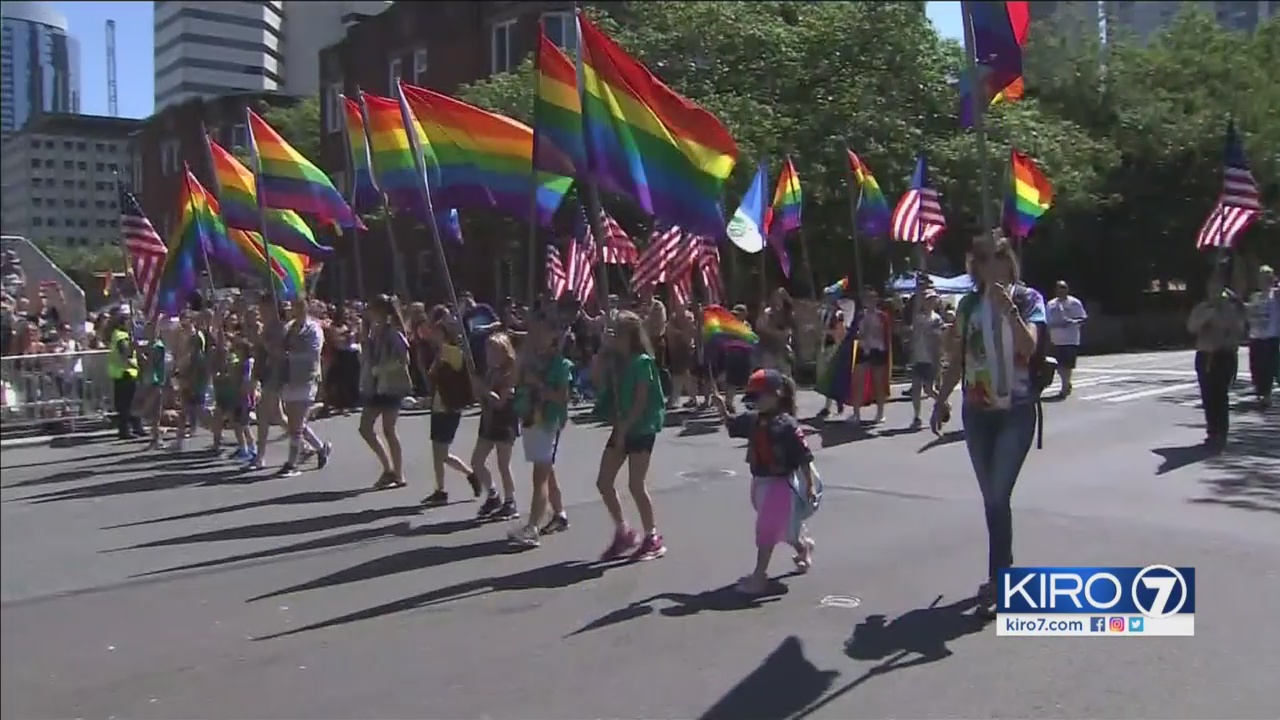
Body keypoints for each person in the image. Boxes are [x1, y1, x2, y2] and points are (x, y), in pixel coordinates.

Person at [931, 234, 1048, 619]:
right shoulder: (967, 305)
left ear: (1007, 262)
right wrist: (941, 398)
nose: (988, 265)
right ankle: (1003, 571)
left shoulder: (1028, 299)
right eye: (981, 260)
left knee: (998, 496)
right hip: (977, 411)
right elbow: (959, 356)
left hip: (1016, 409)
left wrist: (1009, 309)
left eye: (996, 257)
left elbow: (1030, 347)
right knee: (992, 501)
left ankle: (999, 581)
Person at [712, 368, 818, 595]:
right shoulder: (753, 420)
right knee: (786, 531)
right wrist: (722, 408)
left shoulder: (787, 425)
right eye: (753, 398)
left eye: (760, 397)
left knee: (767, 530)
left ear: (776, 394)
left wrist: (809, 484)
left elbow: (804, 457)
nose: (756, 403)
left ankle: (759, 577)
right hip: (760, 482)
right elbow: (732, 425)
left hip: (780, 484)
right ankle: (803, 547)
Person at [592, 311, 667, 561]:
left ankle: (652, 536)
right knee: (604, 481)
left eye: (618, 334)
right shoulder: (616, 363)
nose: (615, 338)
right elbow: (596, 381)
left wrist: (624, 430)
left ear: (630, 336)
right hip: (622, 426)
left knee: (636, 484)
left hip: (641, 427)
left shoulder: (643, 362)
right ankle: (623, 530)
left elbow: (641, 402)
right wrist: (603, 353)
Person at [507, 313, 574, 548]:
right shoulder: (528, 360)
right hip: (529, 418)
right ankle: (559, 514)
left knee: (540, 475)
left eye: (539, 332)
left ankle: (533, 527)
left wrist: (539, 385)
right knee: (547, 470)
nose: (533, 336)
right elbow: (513, 382)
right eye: (531, 331)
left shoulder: (560, 365)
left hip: (548, 420)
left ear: (553, 336)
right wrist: (520, 359)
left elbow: (562, 397)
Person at [423, 307, 481, 506]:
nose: (434, 336)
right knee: (438, 453)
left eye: (438, 333)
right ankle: (440, 489)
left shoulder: (454, 352)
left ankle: (470, 475)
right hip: (438, 406)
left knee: (442, 452)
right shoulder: (439, 353)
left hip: (450, 406)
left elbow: (454, 372)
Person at [1187, 270, 1248, 449]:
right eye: (1211, 286)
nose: (1213, 289)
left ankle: (1221, 432)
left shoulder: (1232, 307)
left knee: (1220, 394)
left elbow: (1239, 328)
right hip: (1205, 355)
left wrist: (1229, 310)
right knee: (1207, 395)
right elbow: (1191, 326)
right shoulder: (1203, 307)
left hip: (1224, 356)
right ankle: (1212, 430)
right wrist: (1207, 314)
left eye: (1217, 286)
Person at [276, 298, 332, 477]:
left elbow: (313, 353)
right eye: (294, 307)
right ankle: (321, 447)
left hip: (306, 378)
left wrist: (289, 355)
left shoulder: (314, 328)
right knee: (295, 423)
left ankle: (291, 463)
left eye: (299, 307)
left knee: (297, 425)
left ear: (306, 308)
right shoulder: (289, 328)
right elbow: (279, 347)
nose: (296, 310)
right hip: (290, 378)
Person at [362, 295, 413, 489]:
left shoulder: (393, 333)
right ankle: (388, 468)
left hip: (391, 384)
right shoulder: (374, 331)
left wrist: (383, 369)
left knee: (388, 429)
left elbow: (404, 359)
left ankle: (398, 474)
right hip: (375, 386)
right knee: (365, 428)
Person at [472, 331, 522, 521]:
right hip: (488, 420)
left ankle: (510, 501)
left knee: (503, 464)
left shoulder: (510, 373)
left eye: (495, 353)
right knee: (477, 461)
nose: (490, 357)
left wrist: (484, 391)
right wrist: (479, 390)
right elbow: (483, 399)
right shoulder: (490, 372)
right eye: (489, 353)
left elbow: (500, 402)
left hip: (504, 421)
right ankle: (493, 495)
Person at [1045, 280, 1088, 398]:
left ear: (1067, 289)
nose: (1061, 290)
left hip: (1070, 339)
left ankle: (1064, 387)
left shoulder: (1074, 303)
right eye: (1059, 288)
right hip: (1056, 339)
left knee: (1067, 365)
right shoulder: (1051, 304)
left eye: (1063, 288)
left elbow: (1083, 318)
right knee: (1058, 366)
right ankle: (1066, 382)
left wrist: (1072, 322)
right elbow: (1046, 321)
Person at [106, 309, 145, 439]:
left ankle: (137, 427)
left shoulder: (122, 334)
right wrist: (138, 367)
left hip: (124, 373)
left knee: (132, 403)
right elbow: (125, 355)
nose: (132, 323)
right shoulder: (121, 336)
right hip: (125, 373)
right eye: (129, 320)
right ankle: (125, 430)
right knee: (127, 404)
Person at [909, 291, 945, 428]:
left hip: (930, 358)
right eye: (927, 300)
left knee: (929, 389)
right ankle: (917, 416)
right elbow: (914, 335)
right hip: (918, 357)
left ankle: (943, 403)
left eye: (932, 300)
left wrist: (938, 359)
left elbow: (939, 337)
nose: (930, 303)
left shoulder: (937, 319)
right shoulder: (918, 318)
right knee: (916, 388)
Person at [1244, 265, 1278, 408]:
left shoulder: (1275, 295)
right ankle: (1260, 392)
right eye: (1261, 278)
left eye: (1266, 277)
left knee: (1270, 367)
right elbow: (1249, 312)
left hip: (1271, 337)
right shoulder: (1255, 296)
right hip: (1255, 337)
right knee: (1256, 368)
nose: (1263, 280)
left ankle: (1267, 394)